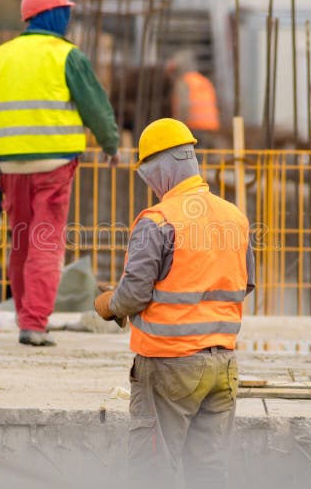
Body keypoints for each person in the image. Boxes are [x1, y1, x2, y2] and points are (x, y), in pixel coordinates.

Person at [93, 118, 254, 488]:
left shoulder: (159, 220)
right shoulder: (236, 219)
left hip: (169, 366)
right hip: (223, 367)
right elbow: (242, 284)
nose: (149, 186)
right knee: (209, 473)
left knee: (152, 472)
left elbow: (133, 295)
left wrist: (109, 305)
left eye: (147, 176)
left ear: (161, 167)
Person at [0, 0, 119, 347]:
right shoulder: (66, 55)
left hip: (12, 169)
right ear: (56, 15)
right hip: (54, 165)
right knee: (45, 245)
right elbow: (94, 105)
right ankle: (34, 324)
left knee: (20, 244)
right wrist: (110, 142)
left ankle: (26, 318)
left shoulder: (0, 56)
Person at [167, 50, 221, 148]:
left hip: (193, 126)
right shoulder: (203, 80)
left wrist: (178, 127)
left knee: (193, 158)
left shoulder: (183, 82)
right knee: (203, 158)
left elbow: (183, 106)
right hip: (210, 127)